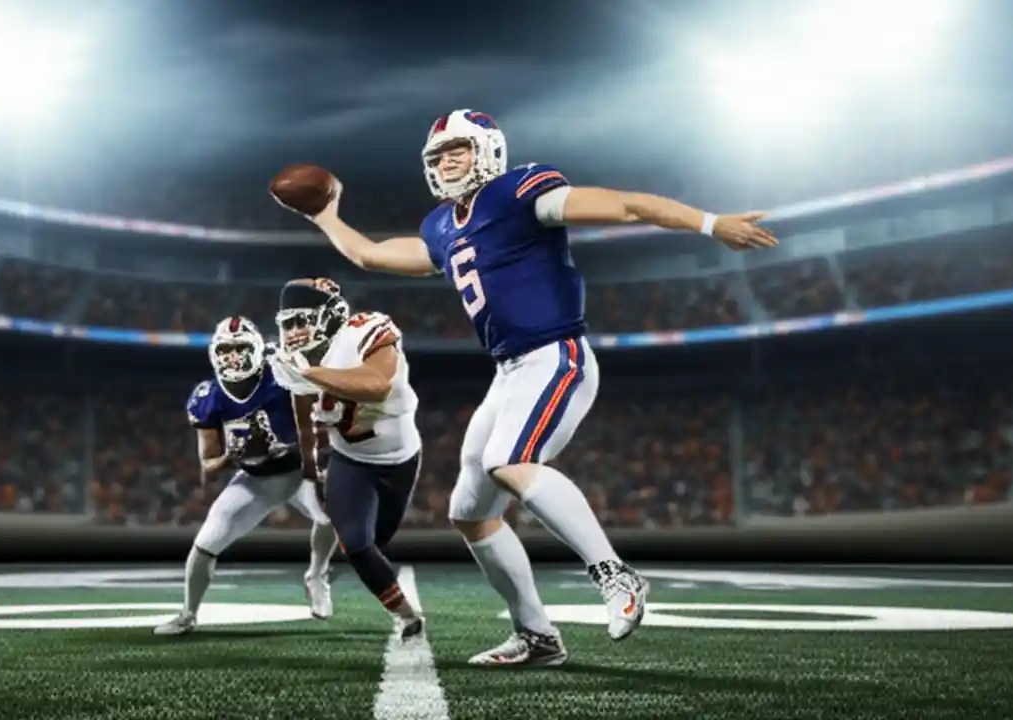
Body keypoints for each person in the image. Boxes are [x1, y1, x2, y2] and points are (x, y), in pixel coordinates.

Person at [275, 109, 778, 665]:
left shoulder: (518, 192)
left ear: (489, 150)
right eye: (437, 157)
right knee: (470, 512)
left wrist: (710, 223)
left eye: (456, 151)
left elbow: (626, 204)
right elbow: (369, 254)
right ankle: (537, 635)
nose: (445, 164)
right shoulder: (442, 227)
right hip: (510, 370)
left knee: (507, 460)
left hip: (555, 353)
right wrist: (325, 215)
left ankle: (616, 576)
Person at [154, 315, 338, 636]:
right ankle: (188, 614)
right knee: (204, 546)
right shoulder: (208, 395)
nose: (234, 358)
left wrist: (287, 445)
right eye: (226, 351)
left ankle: (316, 575)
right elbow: (208, 464)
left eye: (240, 348)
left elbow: (323, 425)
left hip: (297, 471)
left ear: (257, 348)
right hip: (255, 480)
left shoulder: (281, 373)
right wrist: (235, 454)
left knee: (333, 513)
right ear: (214, 354)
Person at [268, 278, 425, 640]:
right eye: (287, 324)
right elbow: (304, 419)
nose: (293, 333)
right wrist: (310, 469)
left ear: (331, 315)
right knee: (355, 544)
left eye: (301, 321)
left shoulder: (364, 331)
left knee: (378, 541)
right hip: (350, 460)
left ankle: (359, 578)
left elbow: (377, 384)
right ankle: (405, 615)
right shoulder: (299, 361)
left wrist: (310, 372)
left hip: (400, 459)